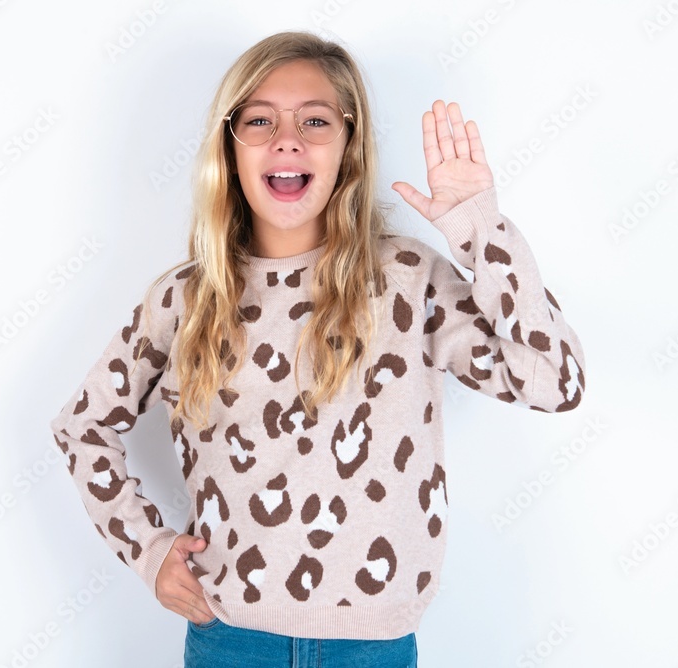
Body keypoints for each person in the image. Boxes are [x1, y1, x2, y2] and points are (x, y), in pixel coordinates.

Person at [50, 30, 586, 668]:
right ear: (230, 147)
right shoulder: (187, 298)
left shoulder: (408, 279)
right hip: (230, 641)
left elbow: (555, 382)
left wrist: (478, 227)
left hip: (375, 647)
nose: (287, 139)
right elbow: (82, 426)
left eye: (314, 120)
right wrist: (148, 549)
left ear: (349, 147)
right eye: (259, 120)